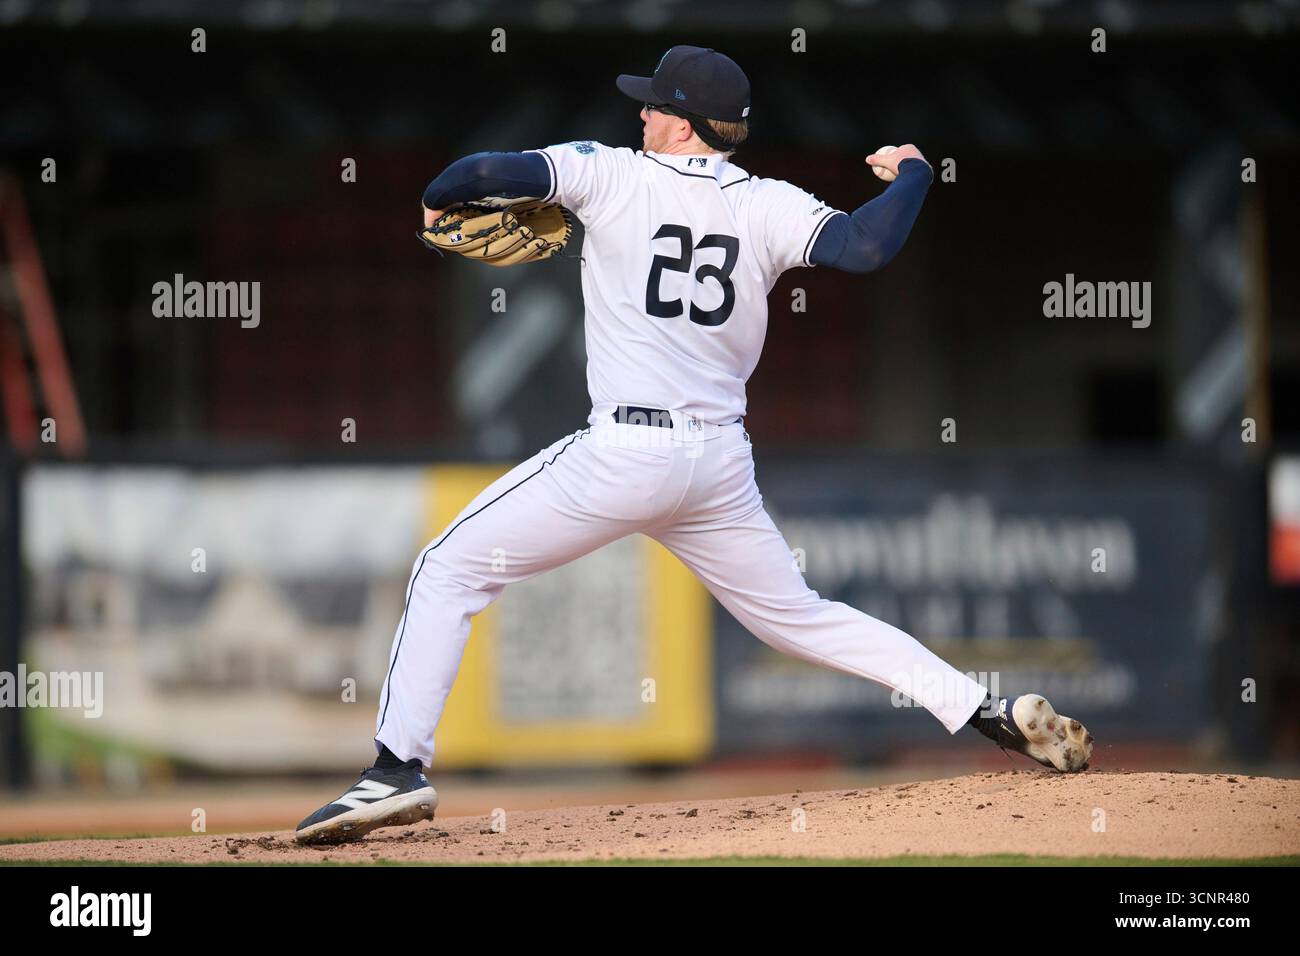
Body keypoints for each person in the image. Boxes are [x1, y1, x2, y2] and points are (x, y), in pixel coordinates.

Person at [294, 45, 1092, 845]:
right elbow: (866, 247)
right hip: (717, 466)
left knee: (448, 566)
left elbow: (474, 173)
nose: (640, 114)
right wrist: (914, 173)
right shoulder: (769, 203)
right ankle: (986, 711)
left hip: (623, 453)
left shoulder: (607, 173)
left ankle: (395, 770)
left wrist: (434, 209)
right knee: (801, 619)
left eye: (652, 106)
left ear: (680, 125)